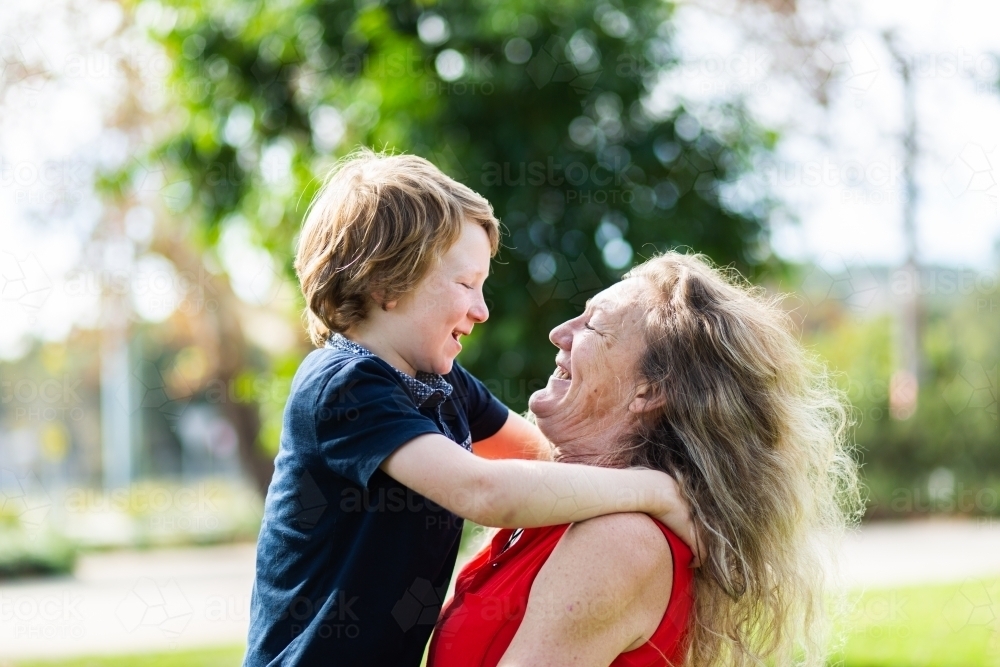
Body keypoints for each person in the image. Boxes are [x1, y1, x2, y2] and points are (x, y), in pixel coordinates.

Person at [243, 151, 698, 667]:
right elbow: (482, 491)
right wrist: (655, 491)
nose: (481, 310)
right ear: (386, 284)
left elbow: (546, 460)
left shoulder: (441, 383)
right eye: (465, 285)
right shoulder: (342, 386)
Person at [429, 252, 862, 667]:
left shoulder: (620, 538)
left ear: (649, 391)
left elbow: (480, 488)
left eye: (593, 328)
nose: (559, 332)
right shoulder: (568, 496)